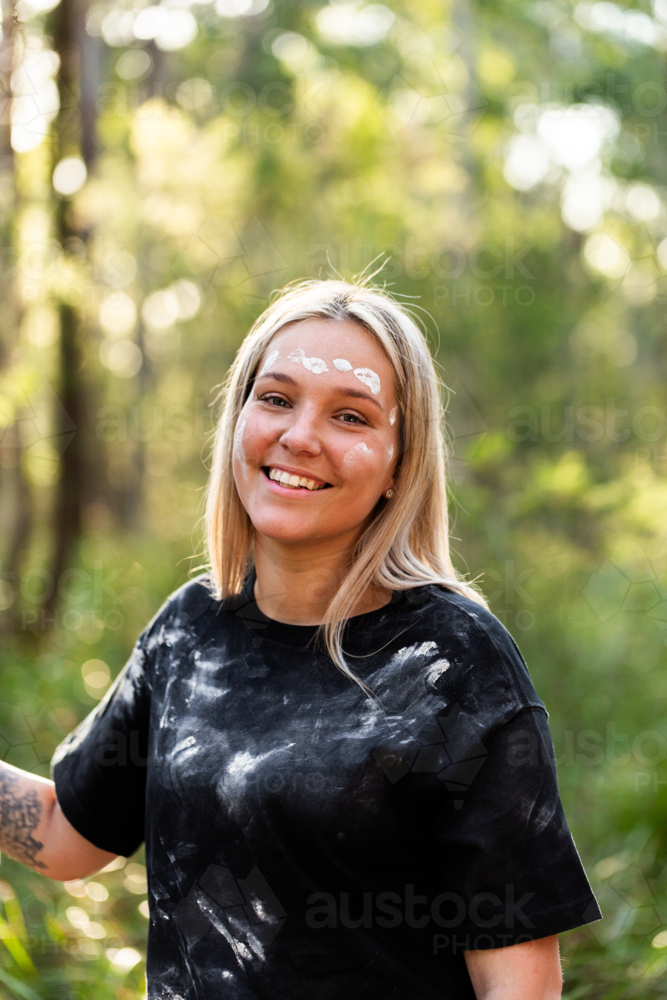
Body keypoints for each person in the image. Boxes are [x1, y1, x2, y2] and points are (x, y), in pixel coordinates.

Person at [0, 279, 600, 999]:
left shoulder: (454, 660)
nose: (299, 437)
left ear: (397, 465)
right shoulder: (189, 631)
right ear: (239, 420)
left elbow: (519, 984)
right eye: (277, 399)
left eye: (350, 416)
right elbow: (69, 834)